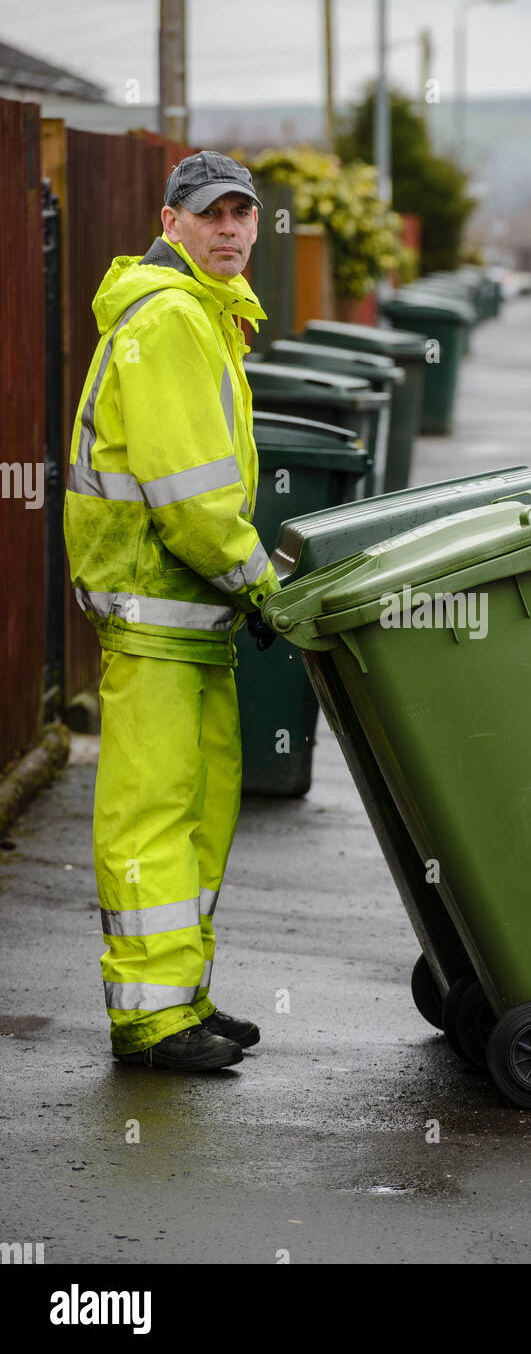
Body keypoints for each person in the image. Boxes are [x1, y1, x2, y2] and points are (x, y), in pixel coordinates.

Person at [64, 151, 281, 1072]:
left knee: (197, 812)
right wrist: (264, 583)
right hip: (156, 610)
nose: (230, 229)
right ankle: (149, 1022)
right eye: (212, 215)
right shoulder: (172, 320)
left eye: (243, 214)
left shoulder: (206, 316)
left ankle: (180, 995)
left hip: (188, 619)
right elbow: (189, 497)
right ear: (171, 220)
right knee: (153, 813)